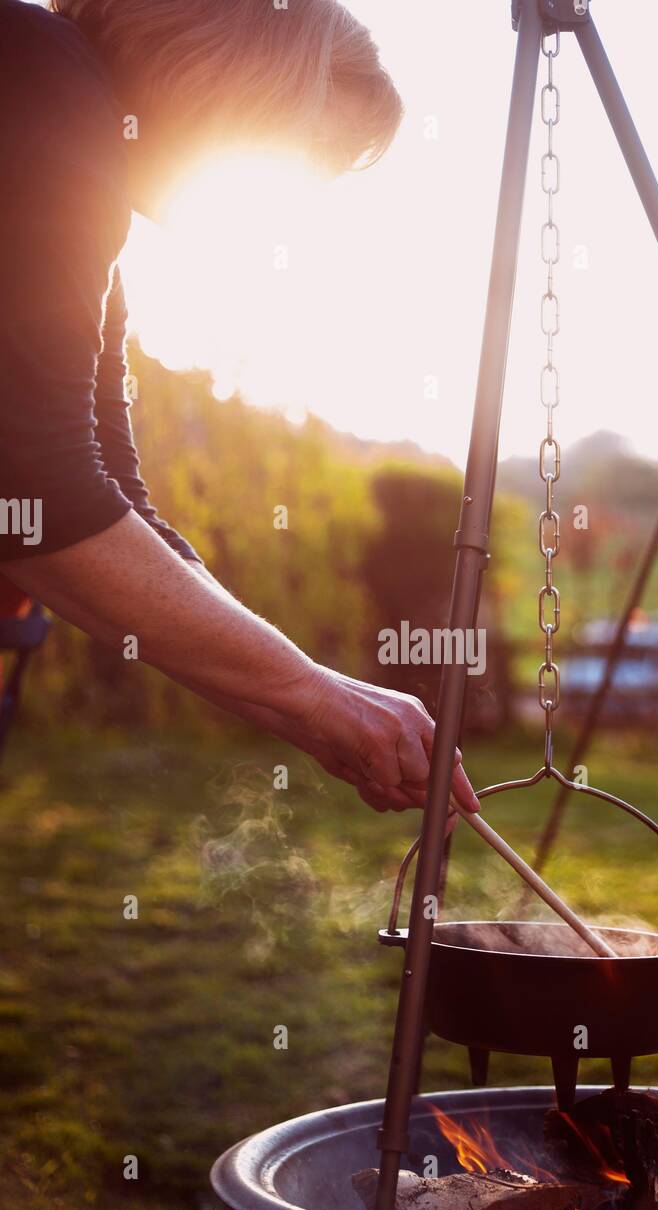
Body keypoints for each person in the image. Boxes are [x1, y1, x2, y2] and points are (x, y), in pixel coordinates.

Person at [0, 0, 479, 818]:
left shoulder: (89, 190)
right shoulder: (42, 76)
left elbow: (110, 492)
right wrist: (311, 693)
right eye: (303, 157)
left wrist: (312, 706)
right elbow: (37, 497)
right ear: (237, 87)